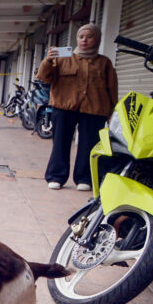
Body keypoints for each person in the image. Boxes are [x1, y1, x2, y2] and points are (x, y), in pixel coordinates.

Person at [37, 24, 117, 191]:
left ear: (97, 39)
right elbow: (44, 77)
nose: (84, 40)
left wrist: (112, 111)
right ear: (77, 39)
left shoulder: (104, 63)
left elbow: (112, 88)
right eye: (81, 37)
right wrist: (48, 60)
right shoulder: (63, 57)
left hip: (94, 109)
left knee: (89, 145)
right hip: (63, 106)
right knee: (60, 142)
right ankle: (56, 176)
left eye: (89, 37)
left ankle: (84, 178)